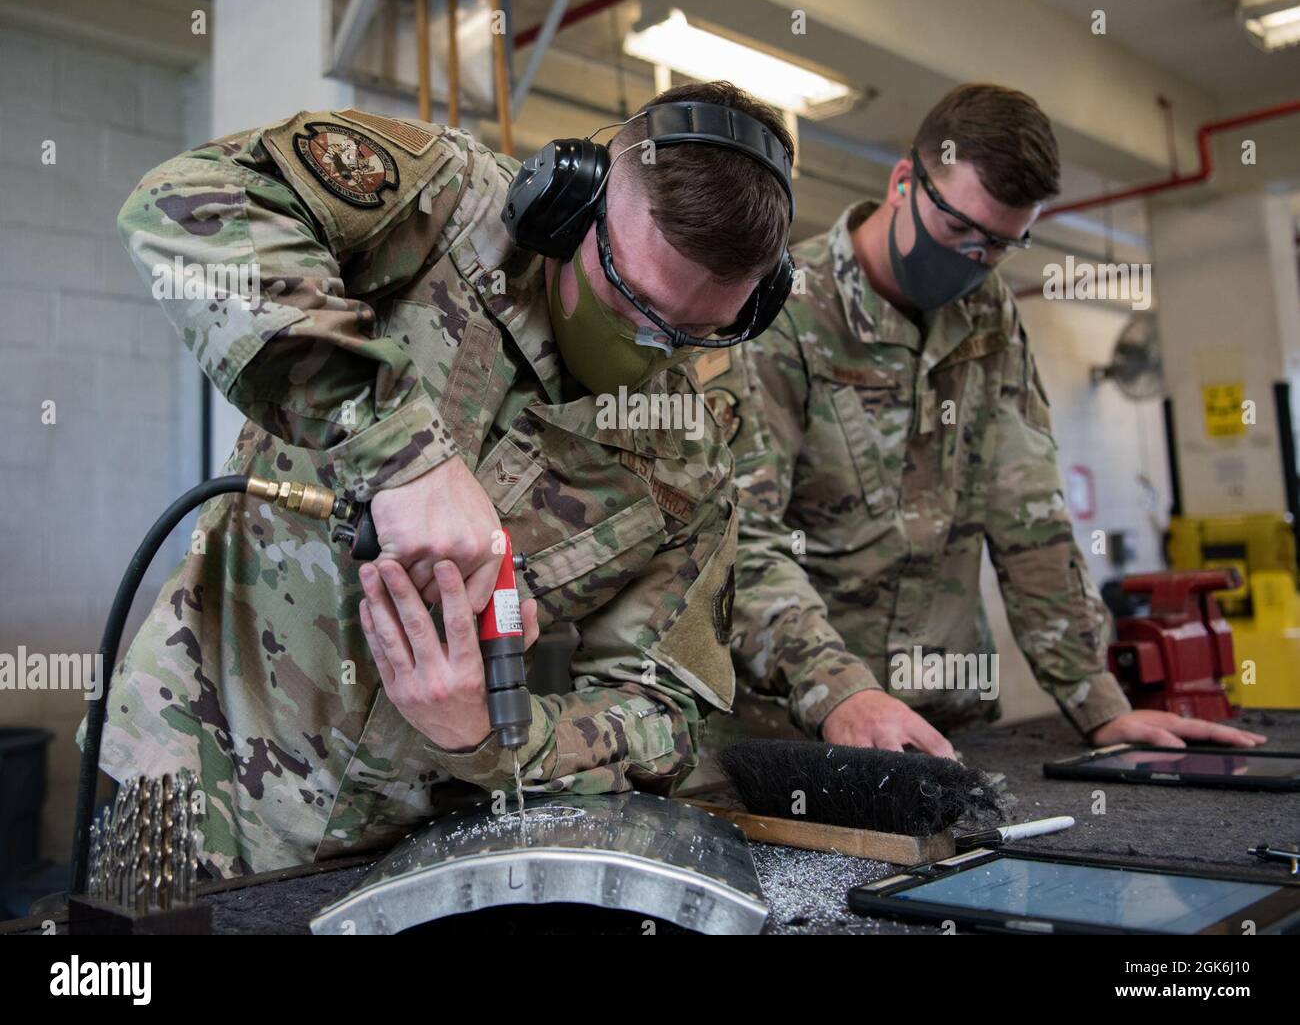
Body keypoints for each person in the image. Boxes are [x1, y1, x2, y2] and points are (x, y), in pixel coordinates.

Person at [86, 81, 796, 875]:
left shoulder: (687, 463)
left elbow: (662, 712)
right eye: (629, 297)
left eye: (695, 332)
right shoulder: (449, 209)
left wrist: (493, 736)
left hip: (416, 853)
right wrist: (403, 457)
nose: (650, 344)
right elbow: (186, 203)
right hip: (187, 771)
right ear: (574, 205)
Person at [708, 83, 1264, 756]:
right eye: (958, 231)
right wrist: (839, 690)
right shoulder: (786, 311)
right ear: (905, 181)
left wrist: (1097, 701)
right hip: (801, 731)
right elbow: (740, 542)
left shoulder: (988, 316)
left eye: (999, 244)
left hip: (948, 720)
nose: (973, 260)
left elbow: (1029, 515)